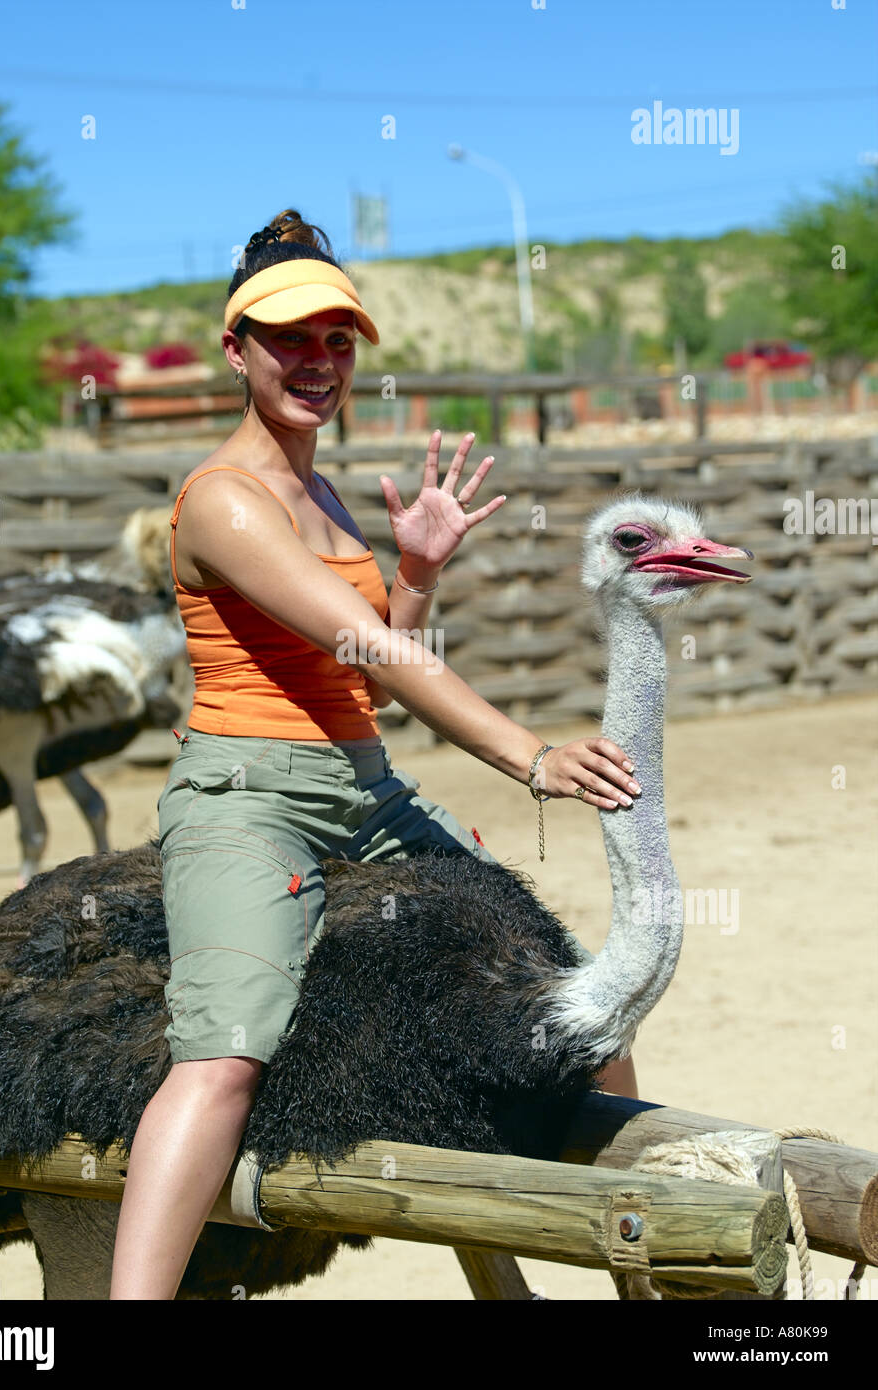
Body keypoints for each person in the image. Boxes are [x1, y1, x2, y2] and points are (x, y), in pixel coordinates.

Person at [109, 209, 641, 1300]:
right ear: (235, 348)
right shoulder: (223, 499)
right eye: (291, 338)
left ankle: (635, 1256)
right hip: (250, 801)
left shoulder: (322, 491)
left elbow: (358, 649)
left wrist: (416, 571)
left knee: (574, 1001)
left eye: (338, 340)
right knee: (224, 1056)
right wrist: (529, 757)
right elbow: (368, 646)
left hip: (367, 791)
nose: (318, 362)